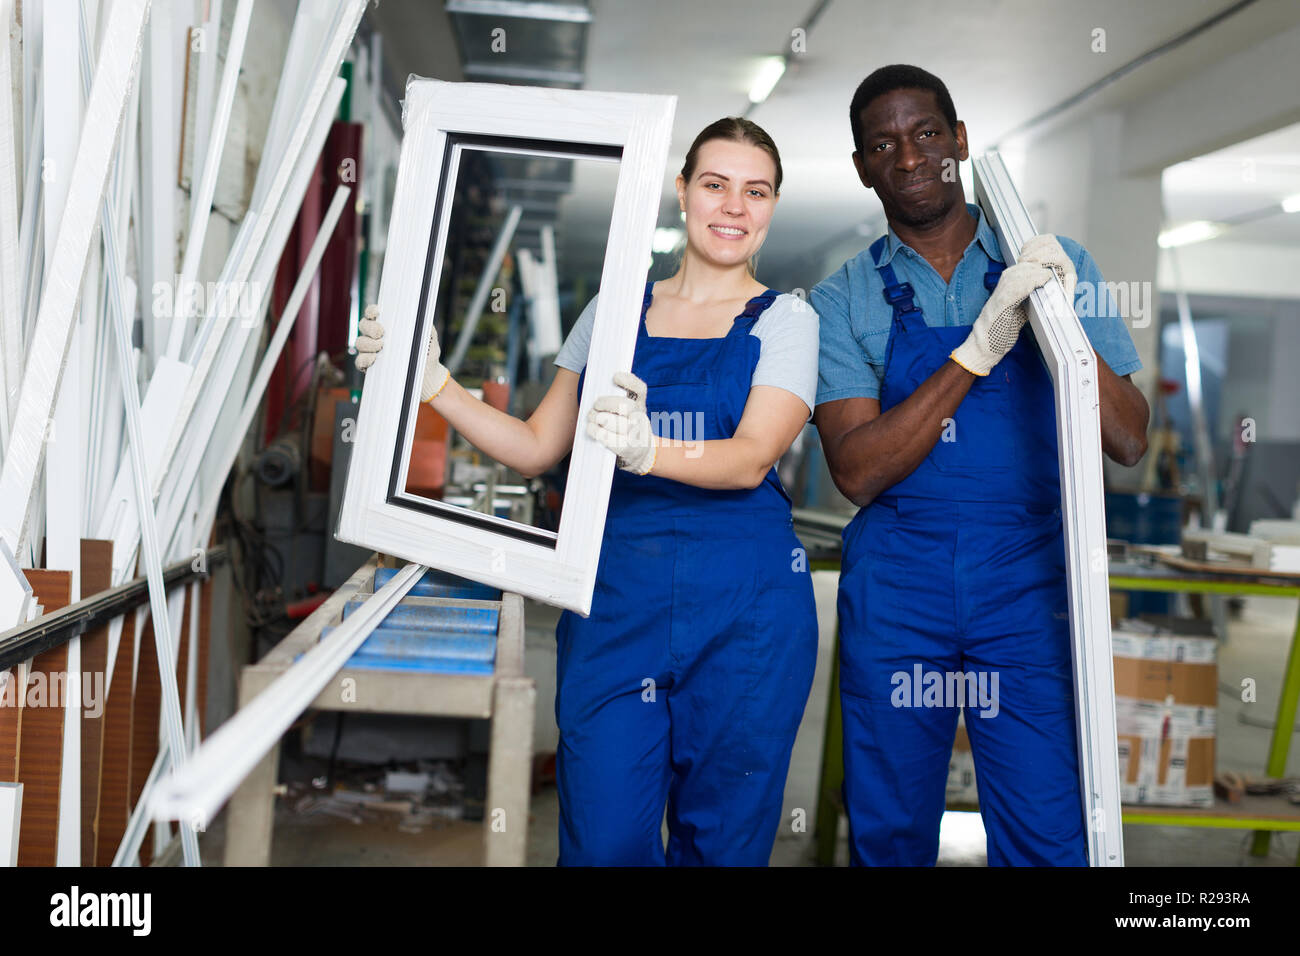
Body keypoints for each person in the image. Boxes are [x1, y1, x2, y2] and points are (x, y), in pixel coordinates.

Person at [356, 117, 820, 866]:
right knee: (603, 840)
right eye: (715, 185)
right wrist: (432, 383)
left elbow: (748, 458)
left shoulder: (789, 320)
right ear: (680, 192)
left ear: (771, 206)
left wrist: (647, 448)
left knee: (725, 843)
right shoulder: (610, 314)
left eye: (755, 191)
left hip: (748, 617)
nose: (734, 207)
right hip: (614, 604)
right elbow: (538, 446)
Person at [811, 64, 1150, 866]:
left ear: (959, 141)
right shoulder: (841, 300)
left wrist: (1058, 319)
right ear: (862, 167)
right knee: (890, 830)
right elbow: (857, 472)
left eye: (927, 133)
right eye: (883, 144)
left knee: (1047, 829)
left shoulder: (1056, 260)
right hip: (899, 582)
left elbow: (1129, 440)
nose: (909, 157)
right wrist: (979, 347)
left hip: (1029, 582)